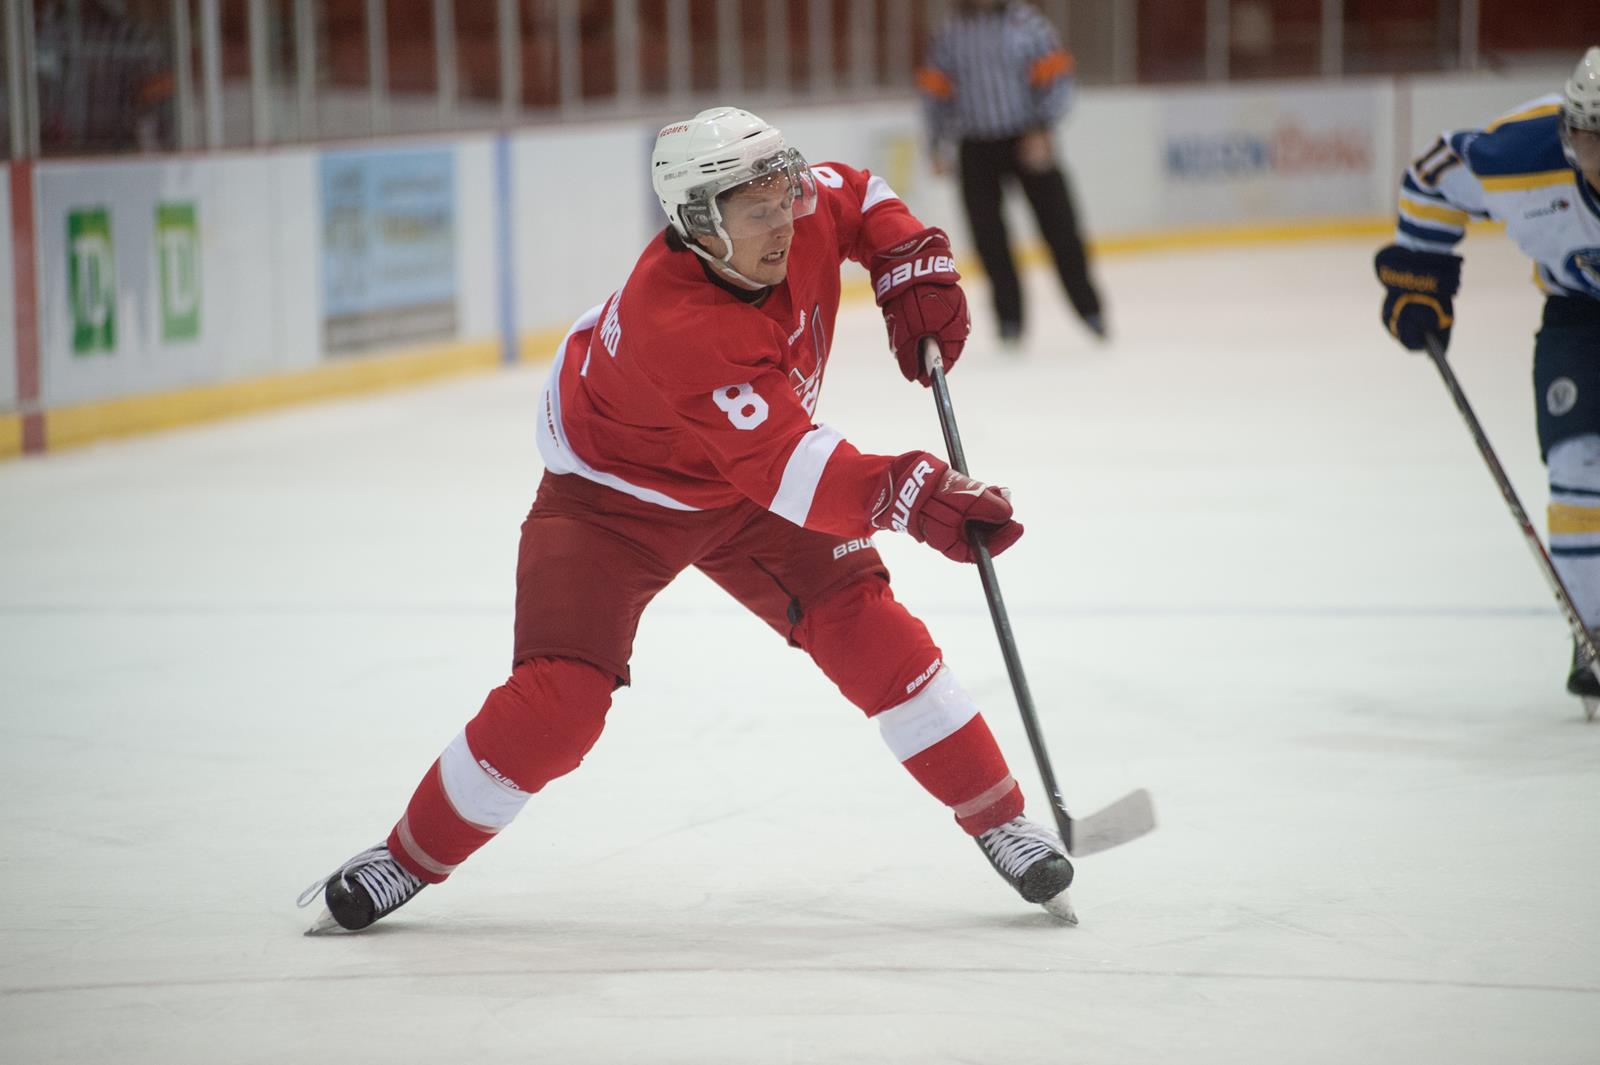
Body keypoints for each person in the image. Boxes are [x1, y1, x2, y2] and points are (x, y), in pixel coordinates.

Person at [298, 106, 1080, 933]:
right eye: (759, 211)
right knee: (561, 704)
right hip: (612, 502)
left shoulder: (795, 210)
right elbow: (791, 468)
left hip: (747, 483)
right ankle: (405, 855)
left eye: (785, 195)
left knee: (867, 625)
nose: (786, 219)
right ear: (700, 224)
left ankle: (1003, 821)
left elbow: (860, 194)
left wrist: (905, 259)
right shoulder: (679, 324)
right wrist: (912, 490)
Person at [1375, 47, 1600, 704]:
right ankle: (1592, 639)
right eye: (1587, 139)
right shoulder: (1522, 157)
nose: (1595, 156)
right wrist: (1422, 278)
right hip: (1578, 316)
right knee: (1578, 462)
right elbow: (1433, 176)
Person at [917, 0, 1105, 348]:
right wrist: (937, 145)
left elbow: (1058, 77)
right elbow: (935, 94)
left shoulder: (1028, 24)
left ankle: (1090, 309)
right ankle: (1010, 319)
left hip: (1027, 137)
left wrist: (1044, 128)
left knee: (1061, 228)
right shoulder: (949, 34)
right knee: (988, 237)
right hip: (974, 145)